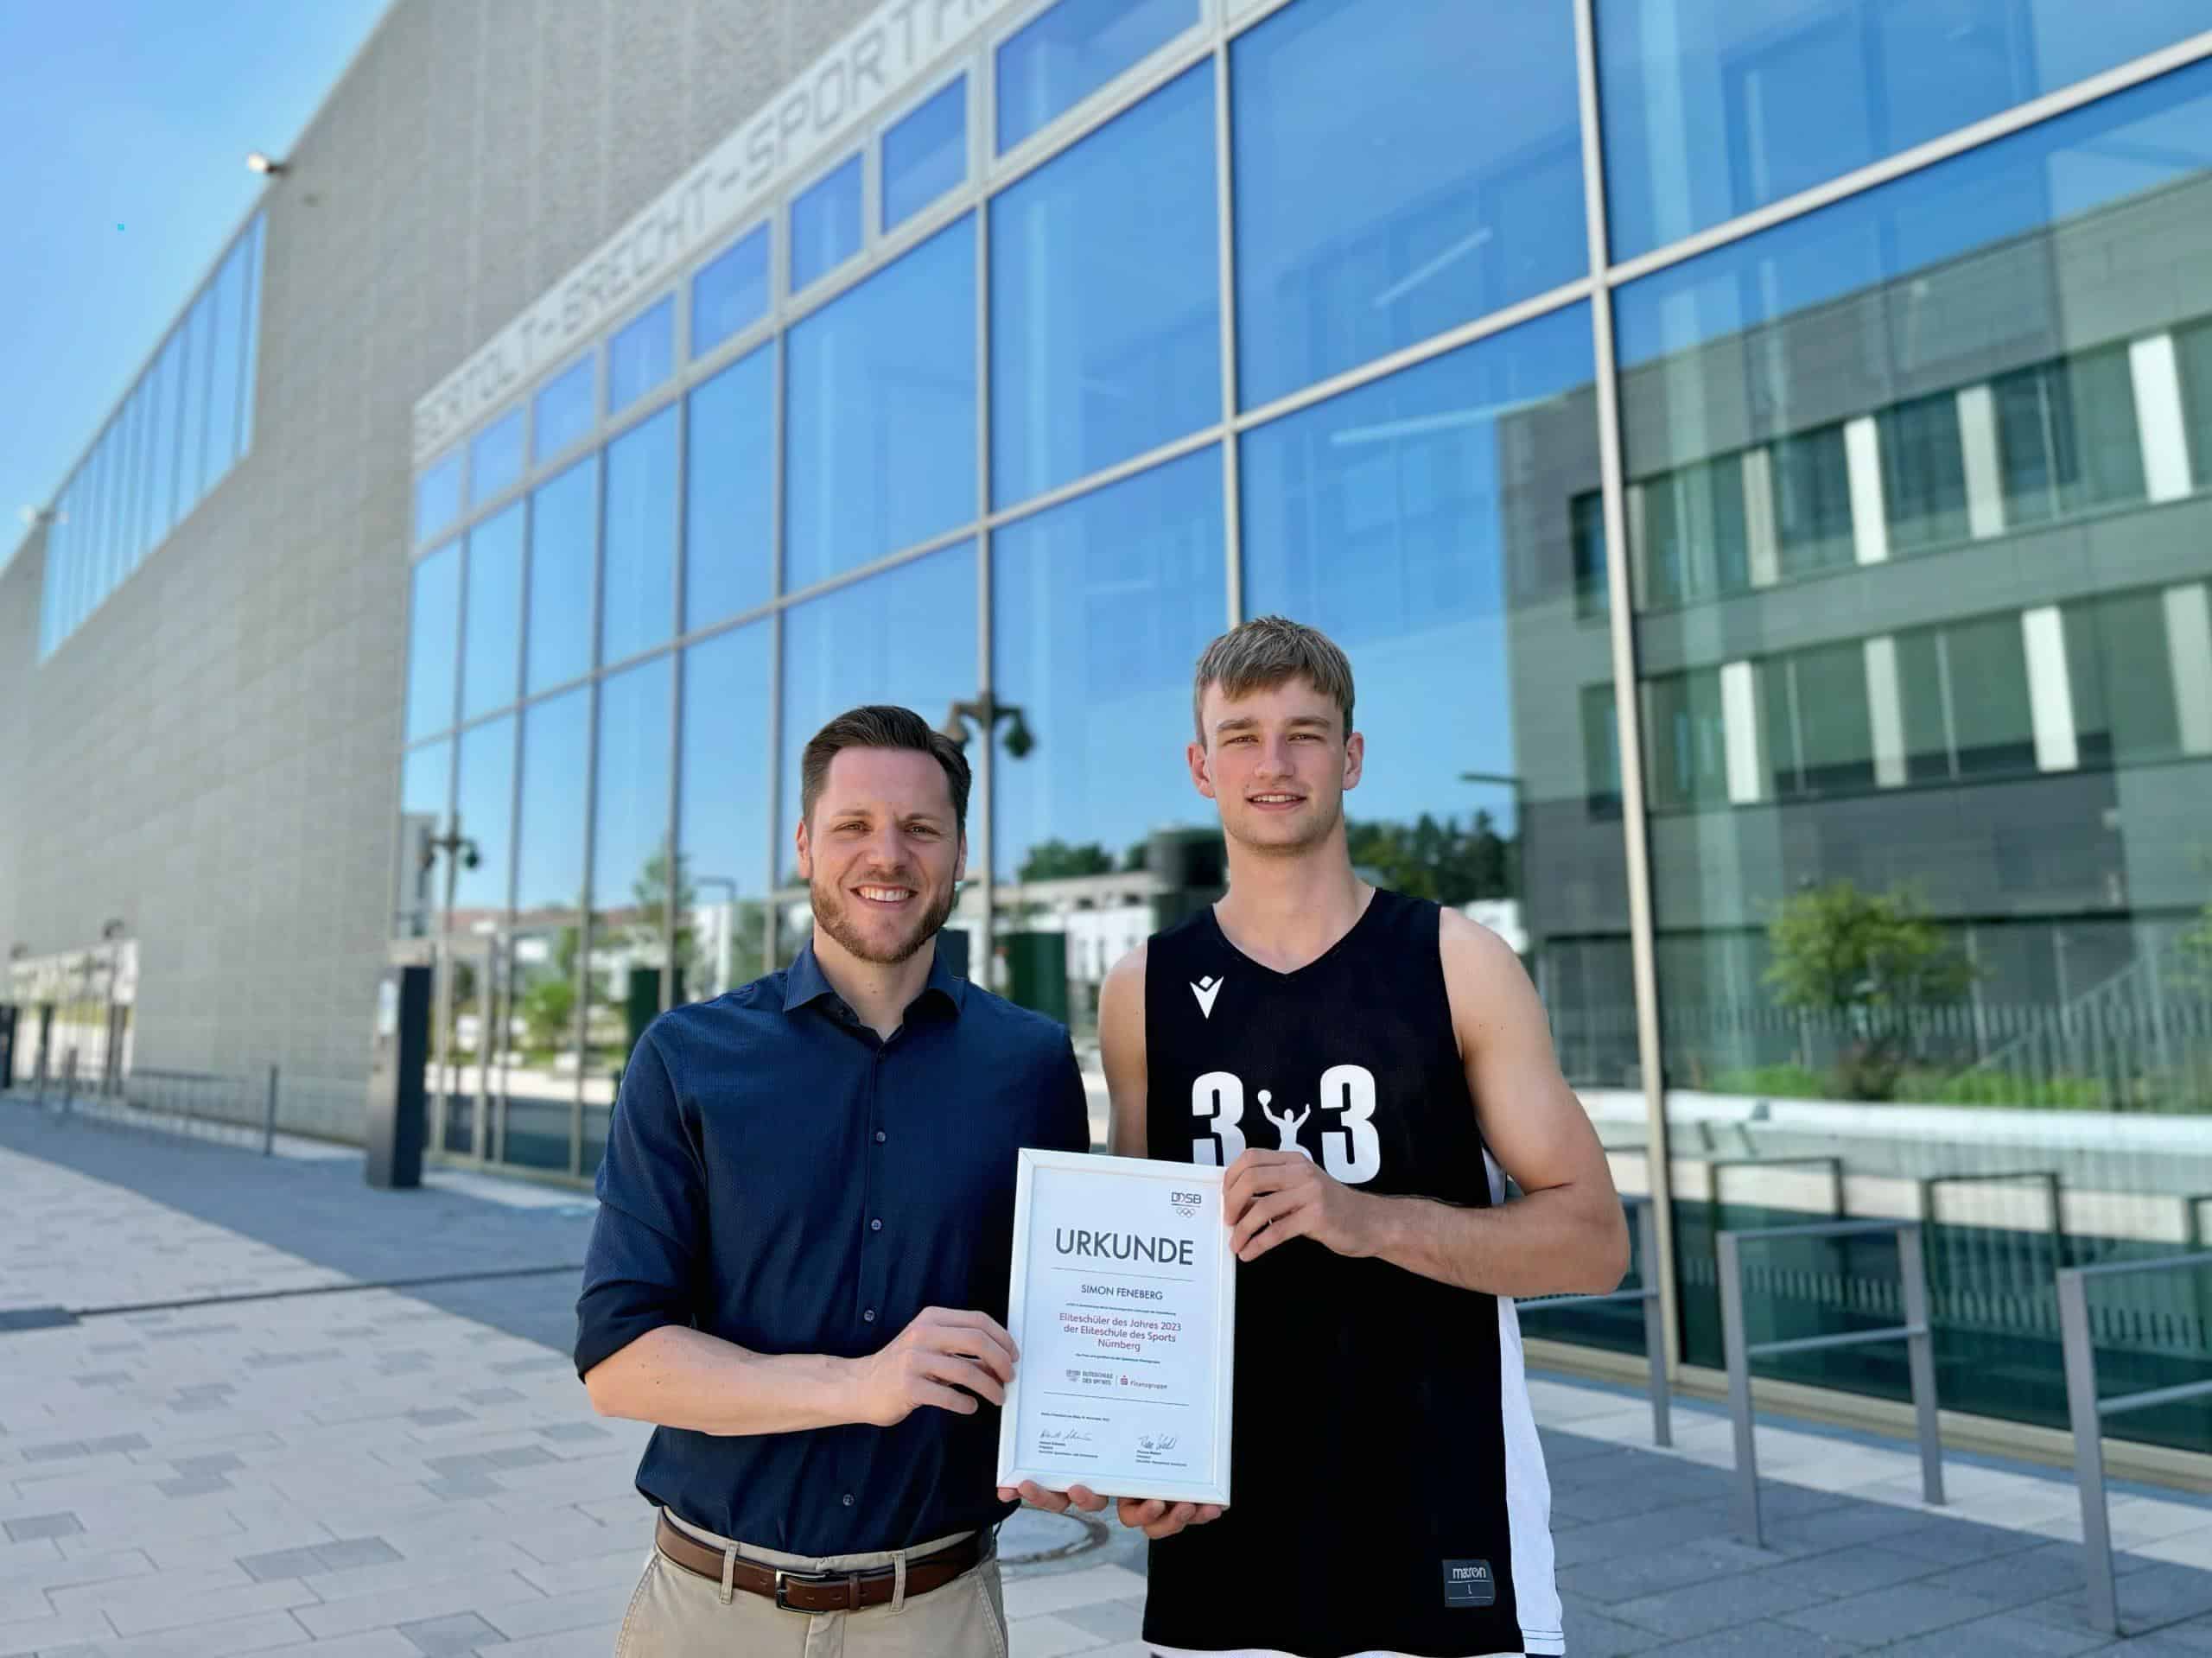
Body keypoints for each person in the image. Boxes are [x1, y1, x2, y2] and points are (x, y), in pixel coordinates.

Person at [1096, 617, 1630, 1658]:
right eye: (1242, 736)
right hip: (1222, 1536)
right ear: (1201, 767)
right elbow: (1140, 1279)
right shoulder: (1140, 990)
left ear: (1352, 756)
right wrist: (1127, 1448)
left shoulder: (1456, 960)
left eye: (1305, 731)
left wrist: (1362, 1217)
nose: (1275, 762)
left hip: (1440, 1515)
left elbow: (1593, 1239)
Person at [575, 704, 1091, 1655]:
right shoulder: (687, 1057)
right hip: (711, 1612)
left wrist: (1097, 1440)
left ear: (960, 852)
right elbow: (620, 1361)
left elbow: (1060, 1320)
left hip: (939, 1612)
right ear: (805, 844)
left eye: (920, 828)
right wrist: (862, 1382)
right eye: (854, 825)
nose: (886, 854)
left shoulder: (1032, 1063)